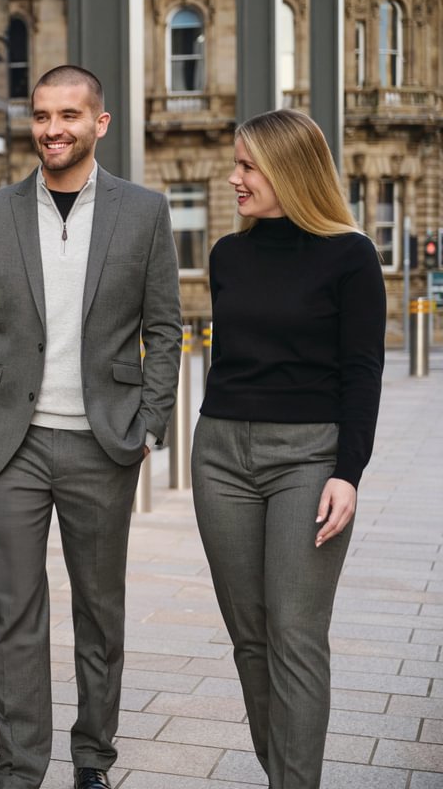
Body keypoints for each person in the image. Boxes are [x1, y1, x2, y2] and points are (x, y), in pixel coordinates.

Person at [0, 65, 182, 789]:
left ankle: (93, 760)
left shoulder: (143, 212)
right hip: (11, 448)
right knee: (16, 614)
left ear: (99, 123)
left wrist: (149, 427)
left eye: (69, 115)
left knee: (100, 615)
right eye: (42, 115)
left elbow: (165, 328)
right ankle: (18, 769)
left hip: (103, 445)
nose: (53, 128)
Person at [191, 108, 385, 789]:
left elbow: (362, 370)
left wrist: (348, 472)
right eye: (236, 163)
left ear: (288, 170)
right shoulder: (227, 255)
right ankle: (286, 776)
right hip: (219, 456)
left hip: (309, 458)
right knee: (251, 639)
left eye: (247, 165)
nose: (235, 177)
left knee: (296, 637)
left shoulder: (351, 255)